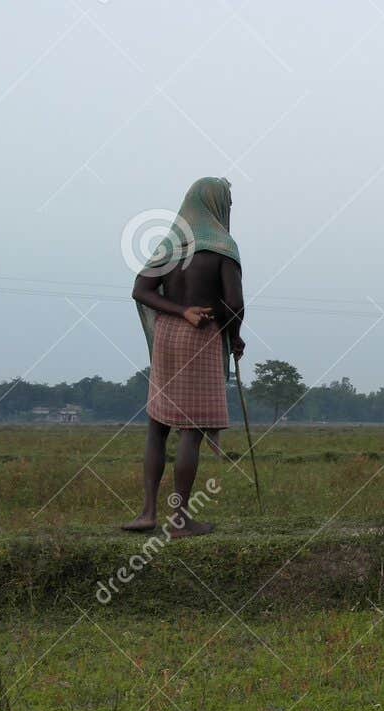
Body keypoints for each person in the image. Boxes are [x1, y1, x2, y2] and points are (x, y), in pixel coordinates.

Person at [122, 176, 246, 538]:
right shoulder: (222, 247)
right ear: (217, 205)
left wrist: (179, 311)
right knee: (191, 430)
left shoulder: (170, 244)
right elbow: (235, 304)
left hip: (166, 336)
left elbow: (141, 290)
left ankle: (148, 513)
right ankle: (179, 520)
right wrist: (235, 336)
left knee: (158, 426)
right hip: (200, 338)